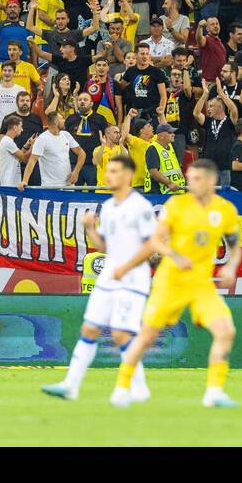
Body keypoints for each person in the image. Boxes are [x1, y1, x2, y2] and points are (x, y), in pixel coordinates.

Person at [109, 158, 241, 408]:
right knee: (147, 337)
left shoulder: (225, 210)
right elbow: (156, 241)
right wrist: (173, 254)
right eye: (189, 178)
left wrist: (231, 266)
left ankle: (214, 392)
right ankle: (122, 387)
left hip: (201, 284)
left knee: (226, 330)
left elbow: (234, 246)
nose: (191, 182)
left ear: (212, 181)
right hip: (170, 281)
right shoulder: (176, 205)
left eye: (197, 179)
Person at [43, 154, 157, 401]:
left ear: (128, 175)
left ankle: (139, 387)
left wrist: (125, 267)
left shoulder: (140, 207)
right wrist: (90, 229)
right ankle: (70, 385)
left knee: (121, 335)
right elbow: (104, 246)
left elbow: (150, 246)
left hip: (132, 278)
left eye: (115, 171)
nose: (109, 175)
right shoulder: (108, 207)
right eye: (108, 171)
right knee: (90, 328)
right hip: (109, 276)